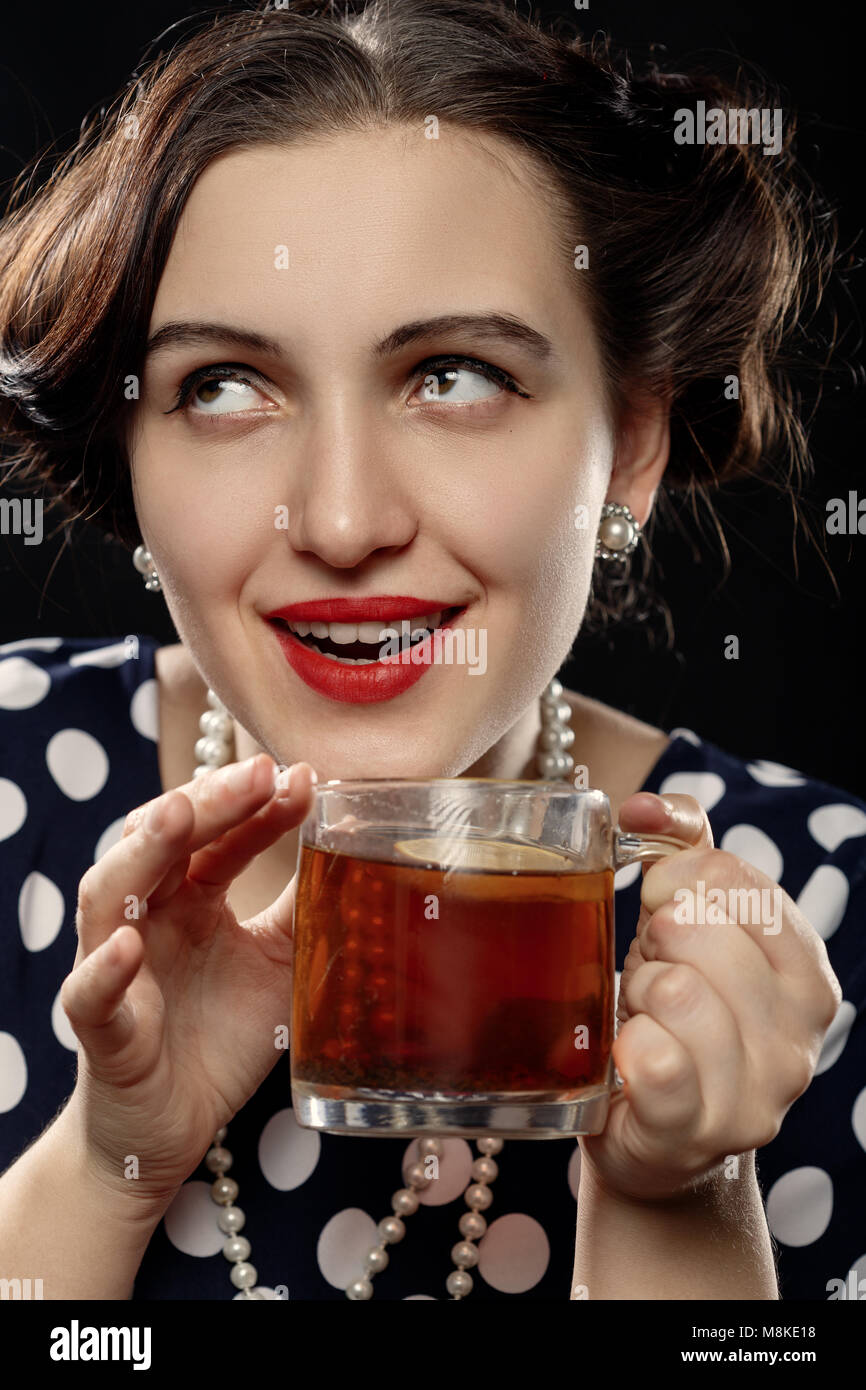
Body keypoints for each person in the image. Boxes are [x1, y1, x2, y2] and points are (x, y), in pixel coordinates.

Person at [0, 0, 858, 1302]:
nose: (342, 522)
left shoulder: (830, 906)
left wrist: (676, 1199)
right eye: (225, 385)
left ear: (629, 446)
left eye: (452, 374)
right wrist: (111, 1158)